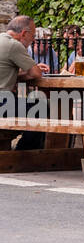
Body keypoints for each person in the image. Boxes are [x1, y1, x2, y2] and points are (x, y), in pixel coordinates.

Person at [1, 17, 48, 150]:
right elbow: (36, 74)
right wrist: (32, 70)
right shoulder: (14, 45)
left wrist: (22, 73)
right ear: (23, 33)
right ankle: (24, 153)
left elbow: (7, 72)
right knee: (40, 107)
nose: (33, 40)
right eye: (32, 36)